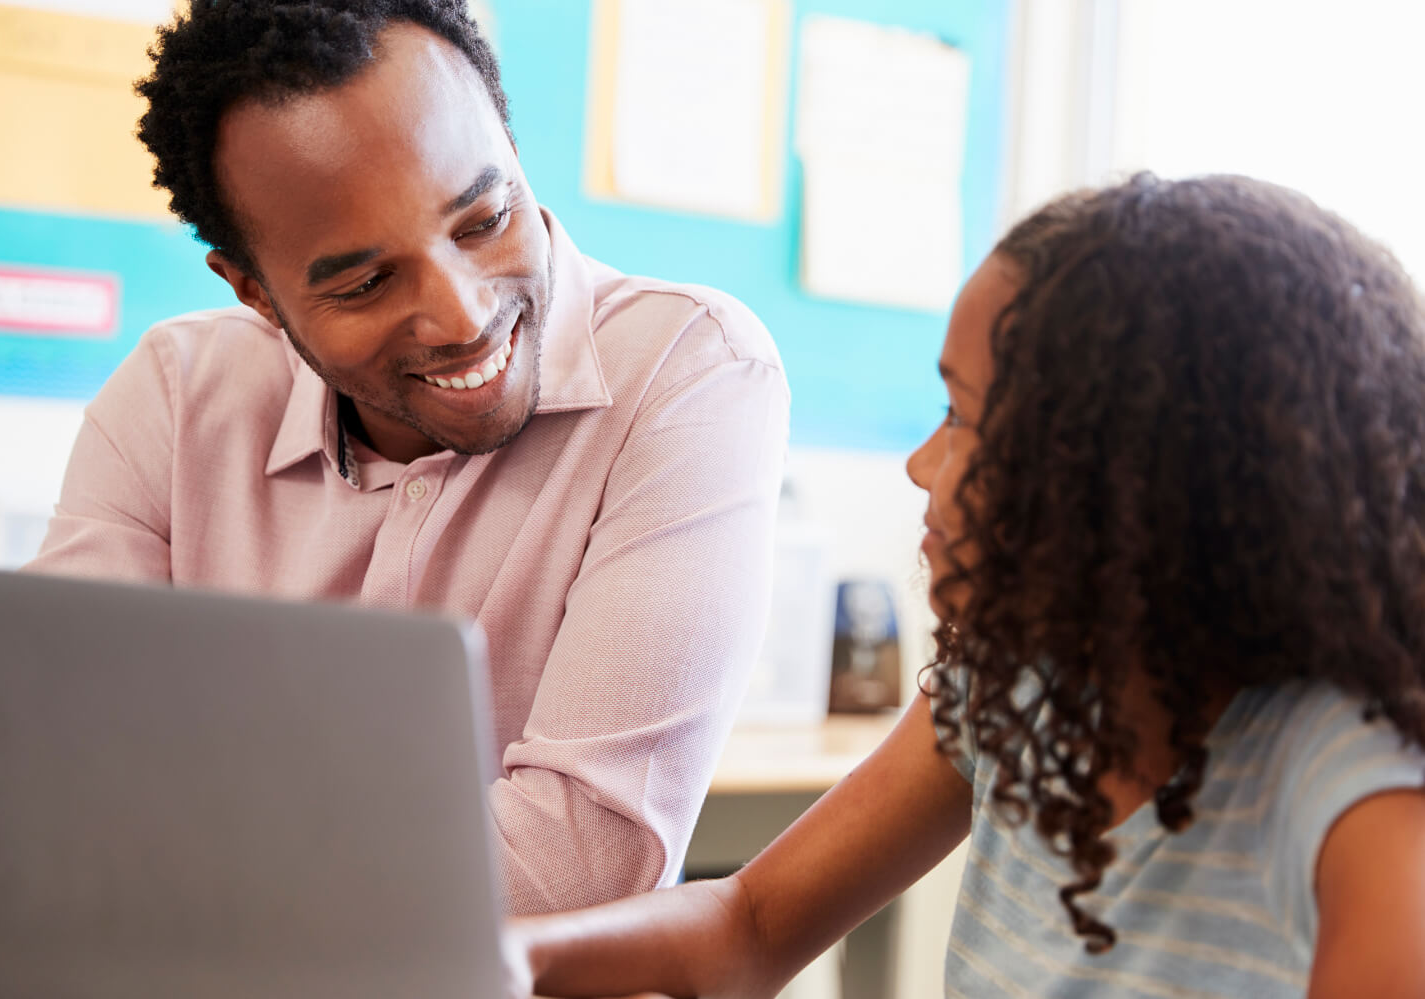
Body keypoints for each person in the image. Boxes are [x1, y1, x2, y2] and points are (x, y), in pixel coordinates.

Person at [0, 1, 789, 924]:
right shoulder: (177, 398)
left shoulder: (688, 369)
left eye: (484, 218)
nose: (462, 316)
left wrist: (121, 860)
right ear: (255, 290)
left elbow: (575, 860)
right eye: (366, 282)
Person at [507, 174, 1425, 998]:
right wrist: (512, 958)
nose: (918, 465)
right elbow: (745, 926)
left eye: (960, 415)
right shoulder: (1009, 688)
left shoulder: (1357, 797)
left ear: (1126, 482)